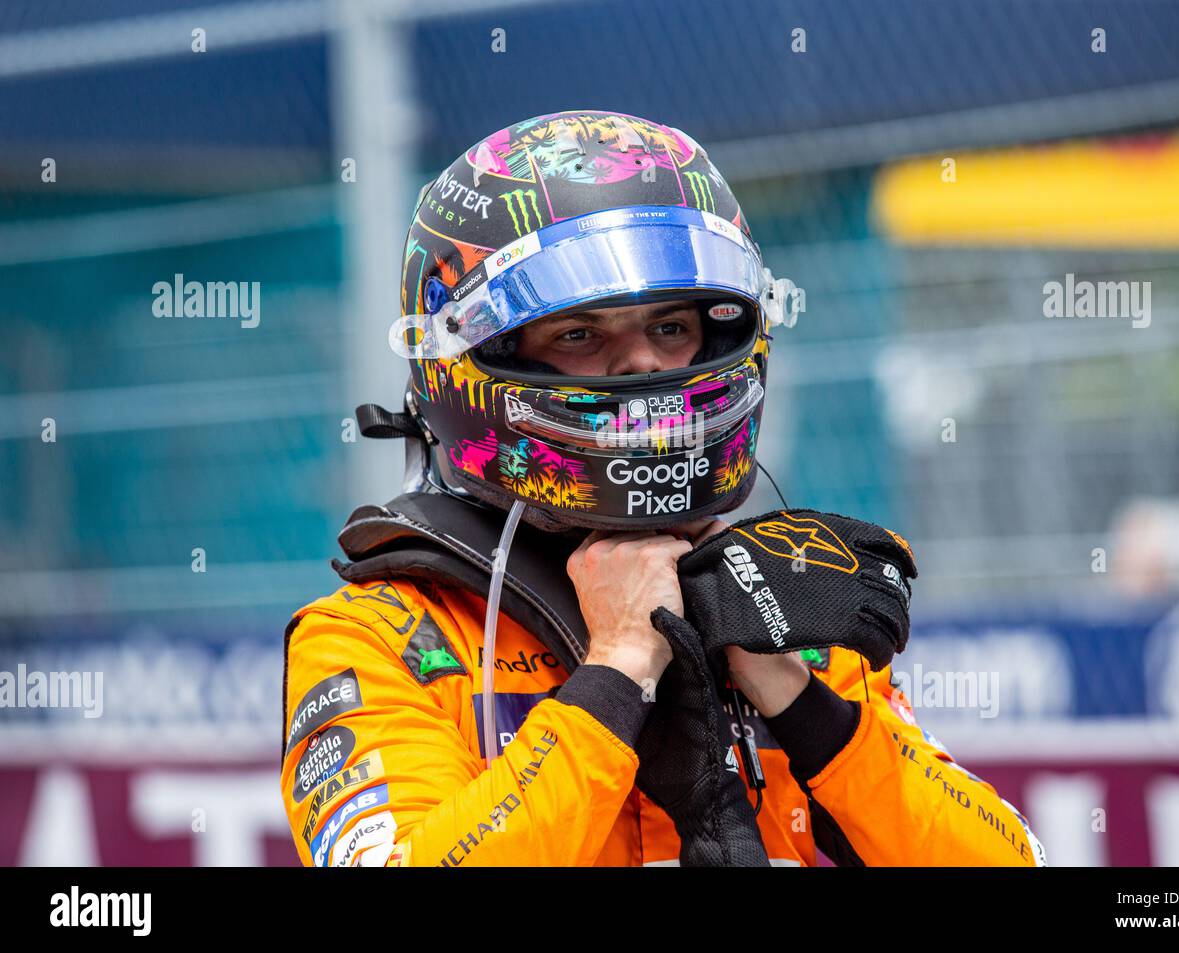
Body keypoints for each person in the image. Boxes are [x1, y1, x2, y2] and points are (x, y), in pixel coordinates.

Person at [279, 109, 1045, 867]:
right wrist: (613, 673)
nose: (644, 366)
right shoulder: (383, 638)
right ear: (473, 358)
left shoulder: (782, 606)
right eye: (580, 335)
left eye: (671, 327)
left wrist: (798, 698)